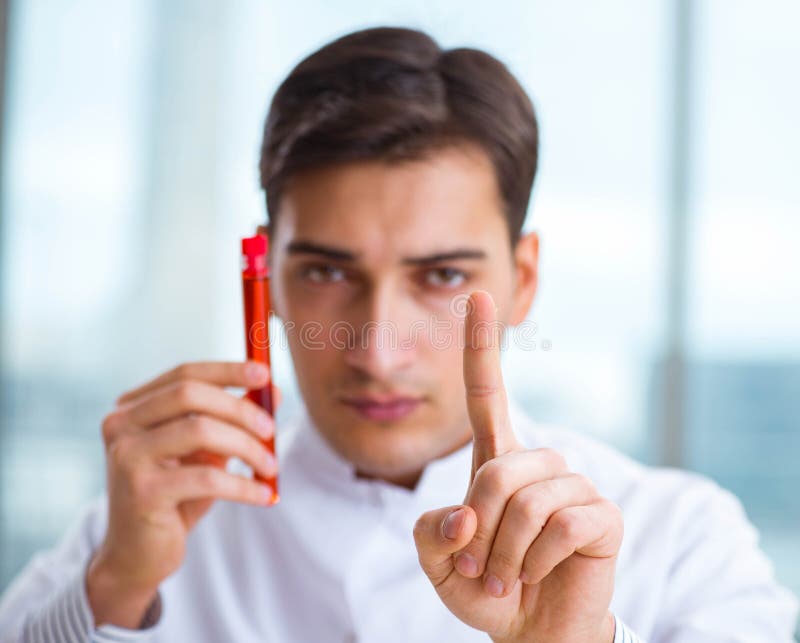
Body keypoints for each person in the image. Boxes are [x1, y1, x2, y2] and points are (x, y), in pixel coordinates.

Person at [0, 25, 797, 643]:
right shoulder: (137, 532)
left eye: (443, 276)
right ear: (265, 276)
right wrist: (109, 592)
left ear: (523, 280)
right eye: (326, 271)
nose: (378, 349)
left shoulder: (686, 538)